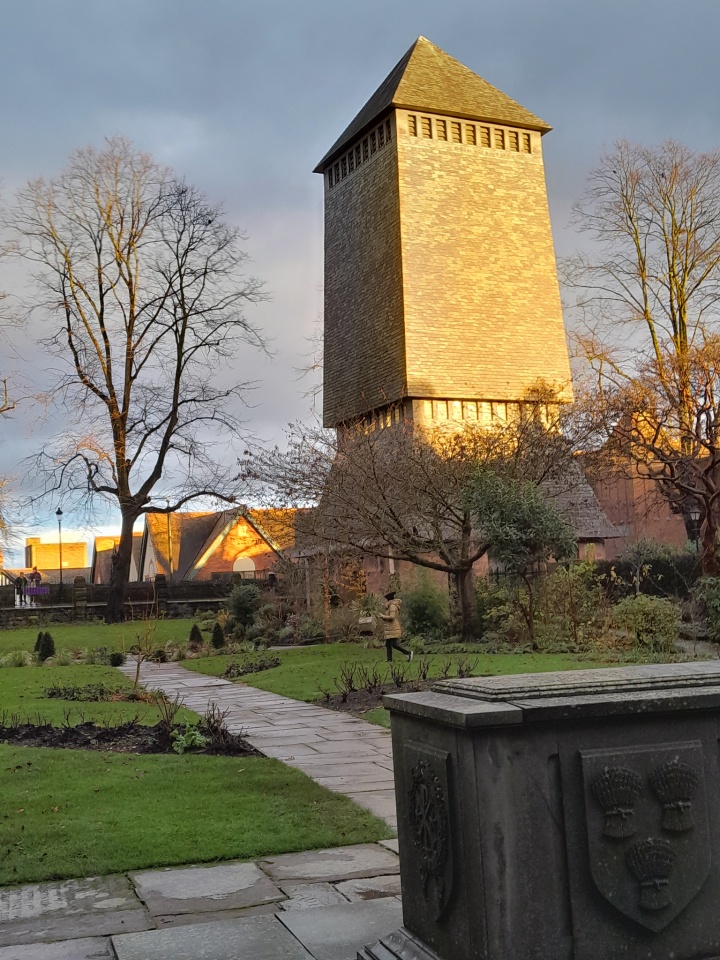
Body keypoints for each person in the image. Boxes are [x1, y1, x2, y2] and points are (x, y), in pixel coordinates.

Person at [380, 590, 413, 662]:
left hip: (393, 627)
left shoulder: (392, 606)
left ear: (389, 599)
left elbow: (392, 617)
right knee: (388, 644)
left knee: (394, 644)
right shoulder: (390, 606)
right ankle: (389, 659)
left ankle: (408, 653)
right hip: (390, 627)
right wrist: (383, 617)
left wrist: (383, 616)